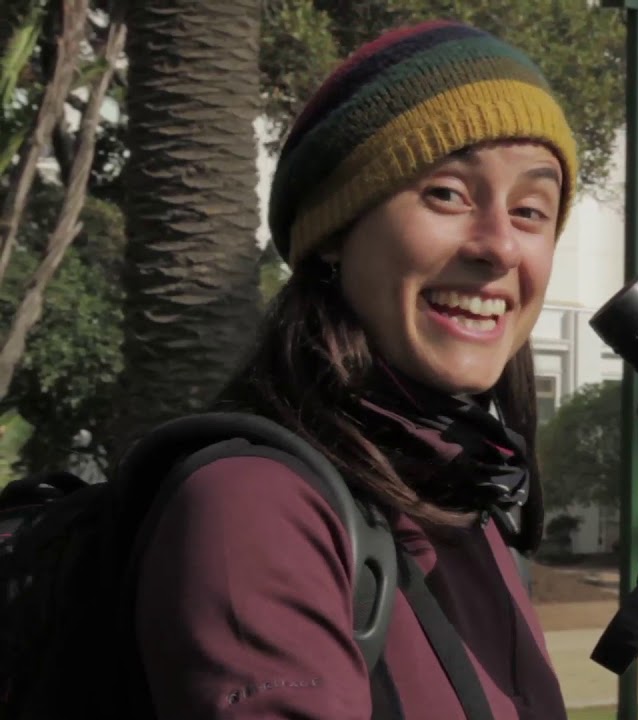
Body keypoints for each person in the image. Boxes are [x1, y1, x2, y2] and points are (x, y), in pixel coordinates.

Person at [132, 20, 579, 719]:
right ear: (335, 232)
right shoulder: (252, 505)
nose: (500, 247)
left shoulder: (471, 507)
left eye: (531, 210)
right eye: (448, 194)